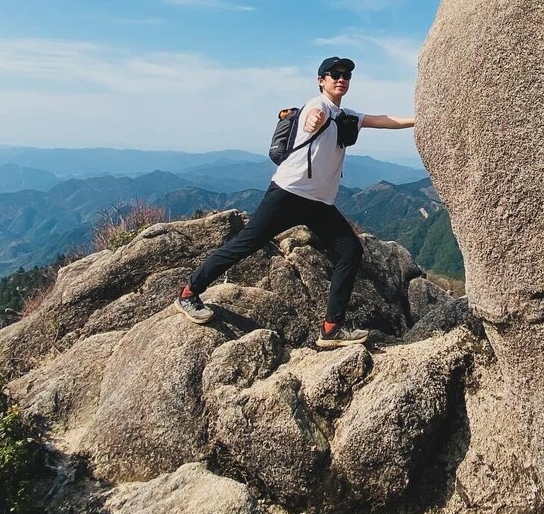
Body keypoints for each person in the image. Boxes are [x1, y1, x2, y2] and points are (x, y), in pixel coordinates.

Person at [174, 55, 415, 348]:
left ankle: (331, 329)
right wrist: (314, 120)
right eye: (334, 73)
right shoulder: (318, 106)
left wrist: (420, 118)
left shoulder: (347, 115)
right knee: (245, 244)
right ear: (321, 80)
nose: (341, 78)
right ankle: (188, 294)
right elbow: (313, 116)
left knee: (350, 251)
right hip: (288, 194)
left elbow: (384, 120)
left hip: (319, 203)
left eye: (346, 75)